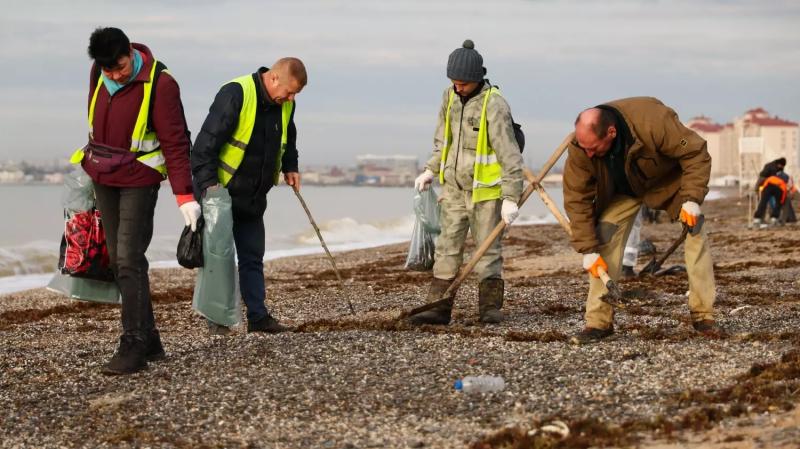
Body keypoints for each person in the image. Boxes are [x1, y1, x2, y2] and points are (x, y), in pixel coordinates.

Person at [74, 27, 201, 374]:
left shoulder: (161, 83)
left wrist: (185, 195)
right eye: (108, 70)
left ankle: (133, 345)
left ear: (130, 51)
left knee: (129, 258)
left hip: (139, 179)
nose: (115, 75)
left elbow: (175, 142)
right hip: (103, 175)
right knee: (119, 261)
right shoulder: (97, 72)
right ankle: (151, 338)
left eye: (119, 67)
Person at [562, 97, 717, 344]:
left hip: (667, 184)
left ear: (611, 132)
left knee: (695, 231)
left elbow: (695, 151)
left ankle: (703, 316)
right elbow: (576, 198)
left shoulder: (654, 121)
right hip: (623, 191)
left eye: (594, 148)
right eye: (585, 147)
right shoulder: (580, 148)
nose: (589, 153)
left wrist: (692, 199)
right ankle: (597, 322)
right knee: (603, 237)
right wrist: (588, 249)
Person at [408, 40, 524, 325]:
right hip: (454, 189)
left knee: (488, 250)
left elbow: (509, 153)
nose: (457, 87)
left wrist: (511, 197)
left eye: (461, 83)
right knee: (447, 247)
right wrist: (430, 170)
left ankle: (489, 308)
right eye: (453, 82)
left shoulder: (494, 104)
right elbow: (442, 140)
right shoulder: (449, 97)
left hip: (486, 193)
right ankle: (438, 307)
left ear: (476, 78)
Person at [191, 58, 307, 334]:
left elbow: (289, 137)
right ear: (274, 78)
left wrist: (291, 166)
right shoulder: (236, 94)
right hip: (220, 192)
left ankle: (258, 318)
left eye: (295, 95)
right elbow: (203, 147)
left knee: (252, 256)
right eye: (289, 92)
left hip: (254, 196)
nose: (290, 98)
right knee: (218, 258)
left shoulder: (286, 104)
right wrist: (210, 187)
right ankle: (217, 318)